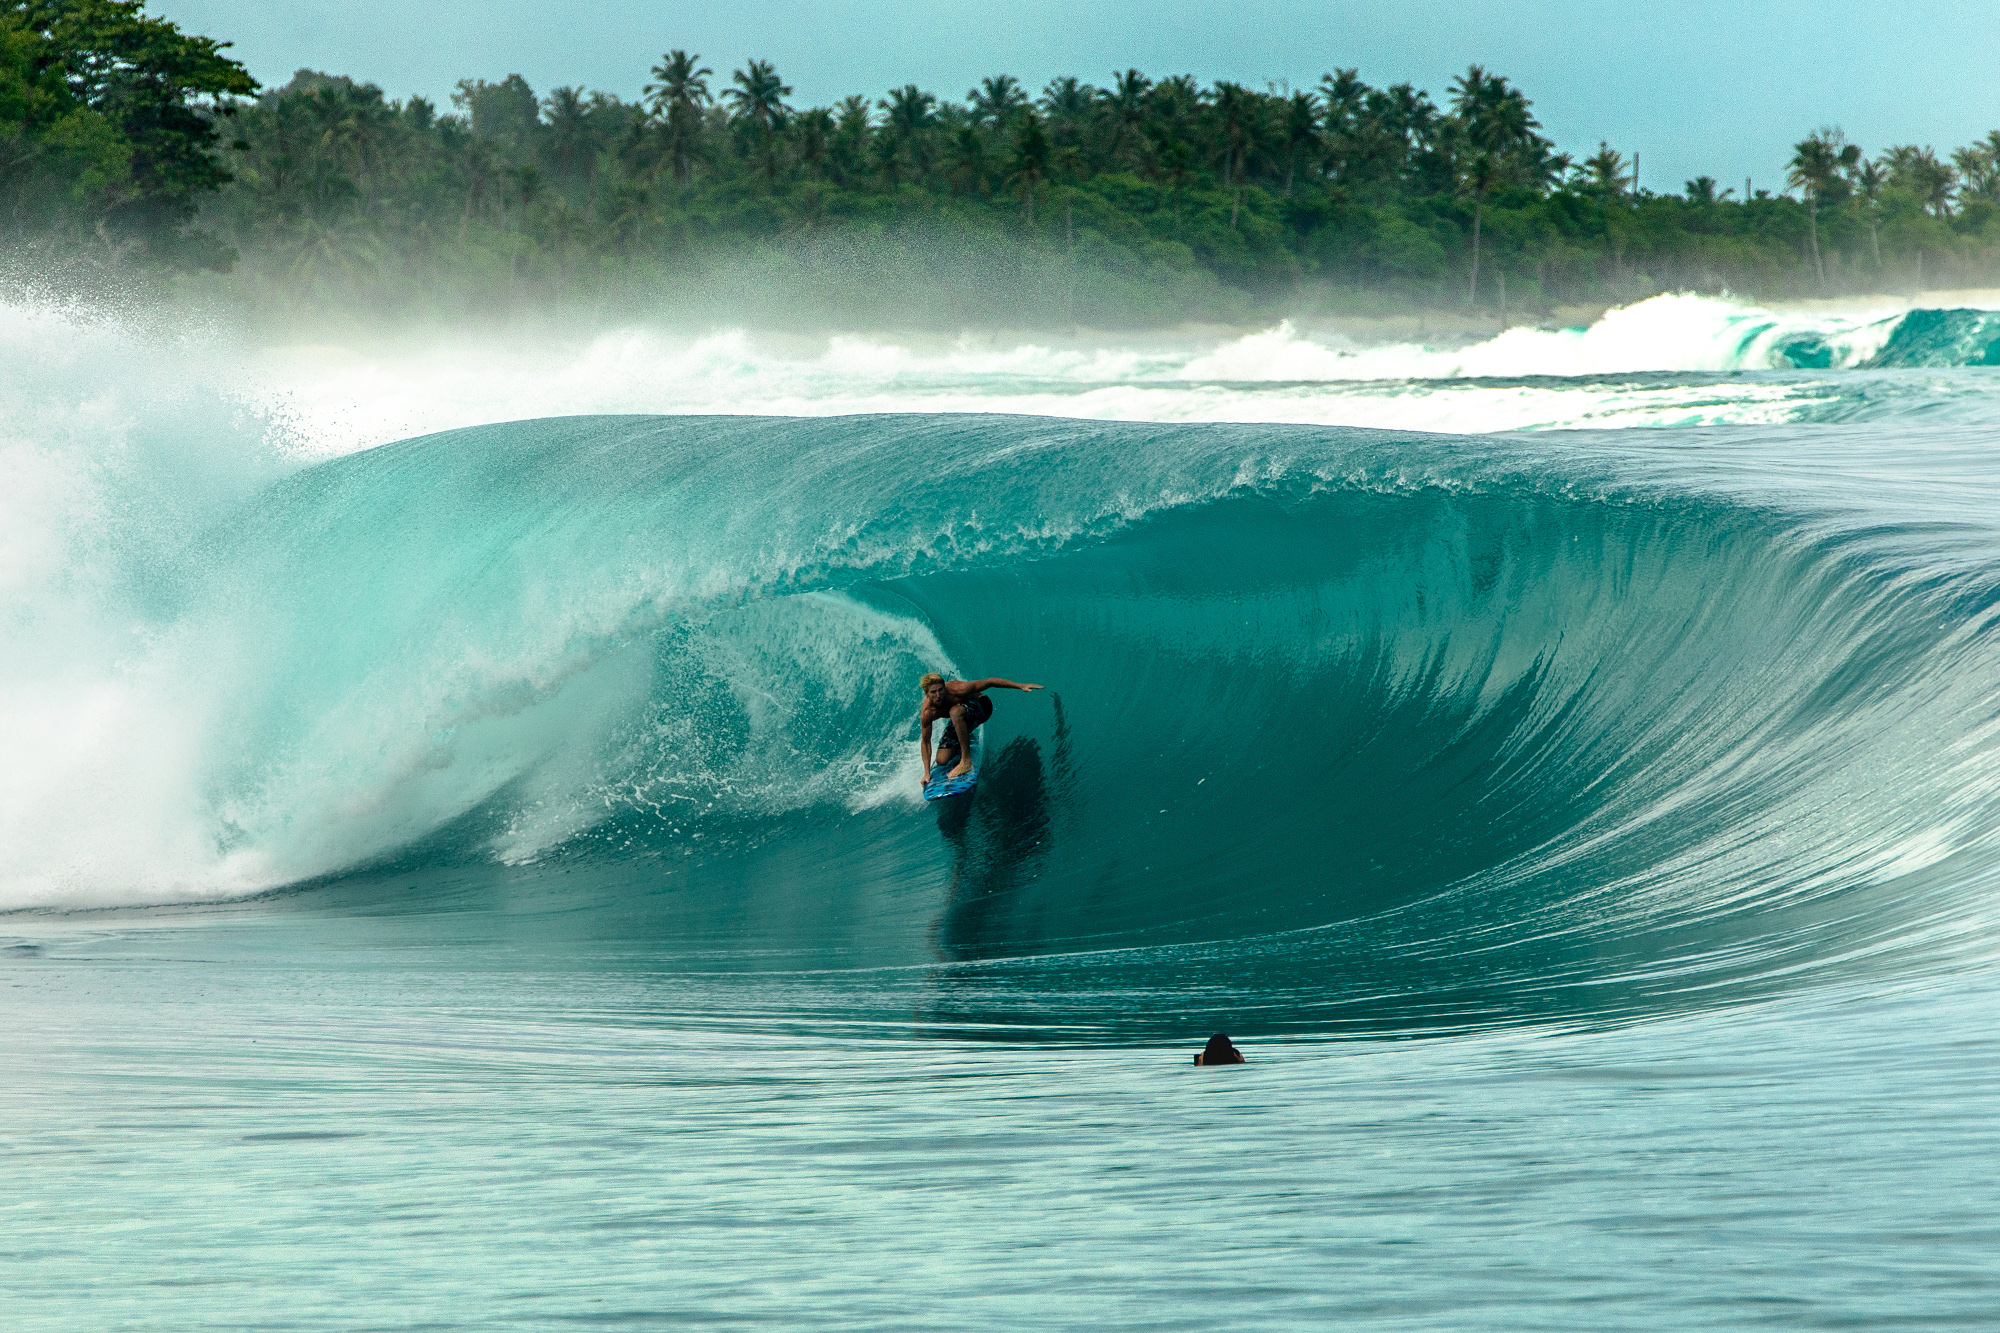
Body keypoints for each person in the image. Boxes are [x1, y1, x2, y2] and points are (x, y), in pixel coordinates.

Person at [919, 672, 1043, 782]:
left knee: (954, 712)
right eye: (933, 692)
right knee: (941, 760)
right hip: (961, 714)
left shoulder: (957, 689)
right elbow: (925, 742)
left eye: (940, 690)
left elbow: (990, 682)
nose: (938, 695)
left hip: (982, 706)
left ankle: (966, 761)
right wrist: (926, 773)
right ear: (926, 693)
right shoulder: (928, 712)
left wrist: (1020, 685)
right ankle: (964, 738)